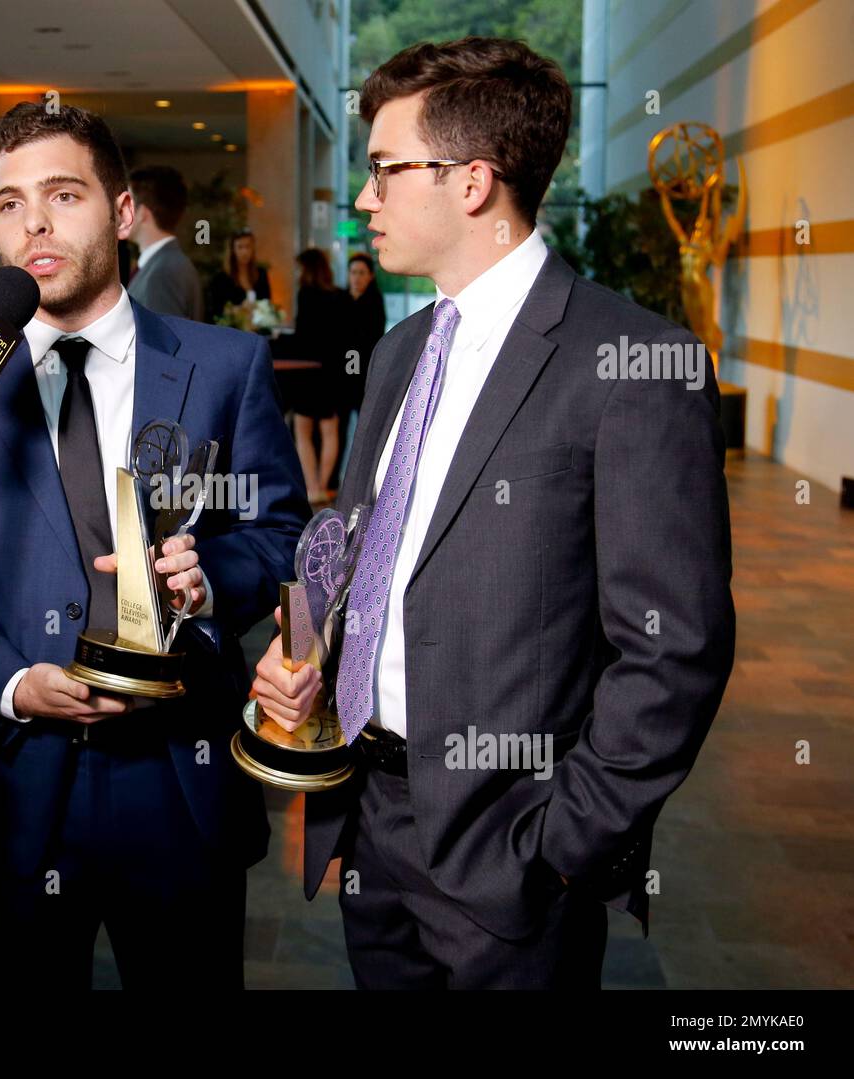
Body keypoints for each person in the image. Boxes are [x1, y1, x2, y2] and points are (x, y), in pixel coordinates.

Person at [250, 36, 735, 989]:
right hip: (371, 827)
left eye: (385, 171)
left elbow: (674, 650)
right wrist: (310, 658)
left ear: (471, 182)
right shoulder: (400, 352)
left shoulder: (636, 363)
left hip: (514, 862)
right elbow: (363, 555)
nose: (363, 199)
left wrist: (559, 846)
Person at [0, 102, 309, 989]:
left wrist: (209, 577)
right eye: (8, 203)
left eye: (62, 195)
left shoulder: (225, 366)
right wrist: (9, 681)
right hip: (12, 777)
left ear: (118, 212)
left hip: (177, 775)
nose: (31, 223)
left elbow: (278, 531)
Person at [289, 247, 353, 504]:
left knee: (302, 430)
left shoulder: (306, 295)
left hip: (308, 371)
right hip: (332, 372)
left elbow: (302, 336)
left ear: (307, 269)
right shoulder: (340, 296)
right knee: (330, 430)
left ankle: (312, 486)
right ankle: (324, 486)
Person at [127, 165, 203, 321]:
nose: (120, 210)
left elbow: (161, 343)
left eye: (128, 202)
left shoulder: (163, 272)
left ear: (142, 213)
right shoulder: (166, 264)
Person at [339, 252, 387, 488]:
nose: (356, 278)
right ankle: (334, 480)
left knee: (364, 427)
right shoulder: (341, 300)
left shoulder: (373, 301)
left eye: (361, 273)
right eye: (353, 273)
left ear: (370, 276)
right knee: (339, 428)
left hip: (363, 373)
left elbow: (371, 336)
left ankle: (362, 479)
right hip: (341, 374)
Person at [206, 228, 270, 322]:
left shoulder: (261, 274)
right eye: (240, 247)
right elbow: (216, 311)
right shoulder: (221, 279)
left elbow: (267, 305)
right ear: (233, 250)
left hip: (258, 330)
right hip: (232, 331)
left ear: (253, 248)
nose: (244, 252)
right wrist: (238, 310)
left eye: (248, 246)